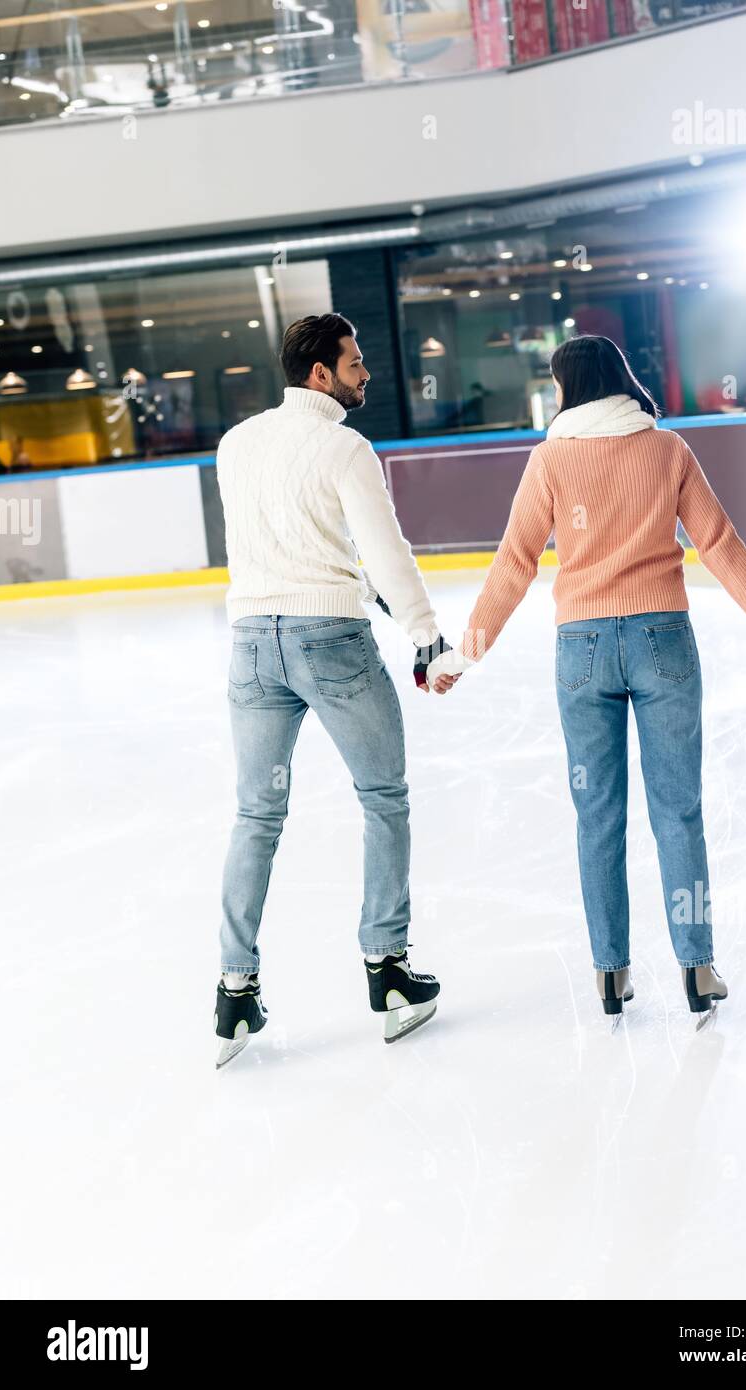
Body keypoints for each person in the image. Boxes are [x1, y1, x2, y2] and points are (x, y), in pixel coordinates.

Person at [427, 335, 746, 1026]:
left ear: (567, 388)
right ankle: (696, 967)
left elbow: (513, 563)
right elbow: (718, 542)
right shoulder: (665, 449)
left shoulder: (550, 458)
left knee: (596, 817)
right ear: (619, 379)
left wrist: (468, 651)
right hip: (662, 642)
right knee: (679, 810)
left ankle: (611, 975)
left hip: (580, 652)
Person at [213, 313, 444, 1067]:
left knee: (256, 815)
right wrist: (421, 632)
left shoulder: (235, 444)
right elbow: (383, 549)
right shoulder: (345, 446)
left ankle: (234, 987)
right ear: (319, 374)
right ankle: (388, 972)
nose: (364, 372)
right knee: (383, 798)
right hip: (330, 641)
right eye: (352, 362)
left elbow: (262, 540)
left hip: (252, 645)